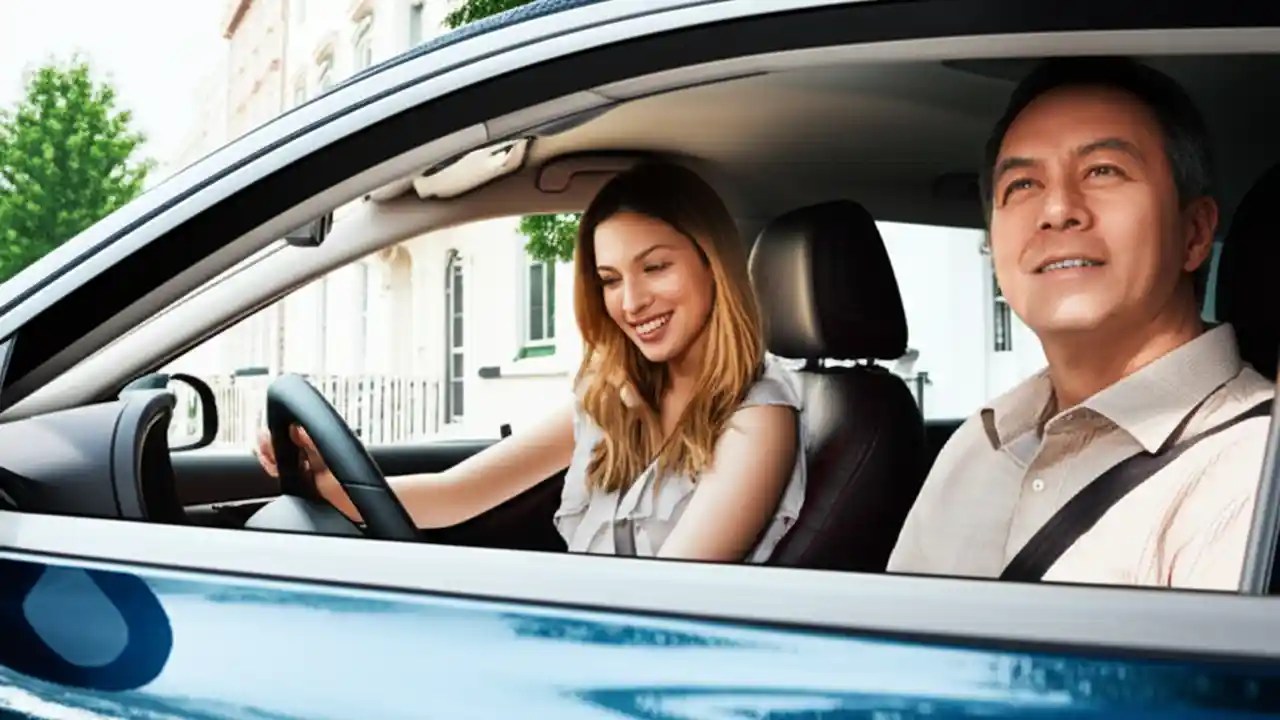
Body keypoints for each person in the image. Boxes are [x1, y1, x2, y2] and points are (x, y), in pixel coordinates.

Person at [256, 162, 806, 563]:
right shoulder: (612, 396)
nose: (632, 303)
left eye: (656, 267)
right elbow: (456, 494)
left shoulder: (758, 419)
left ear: (714, 265)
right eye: (610, 280)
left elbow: (670, 601)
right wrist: (317, 477)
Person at [887, 57, 1275, 590]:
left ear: (1194, 233)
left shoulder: (1254, 467)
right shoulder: (978, 444)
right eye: (1022, 185)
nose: (1058, 209)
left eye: (1103, 171)